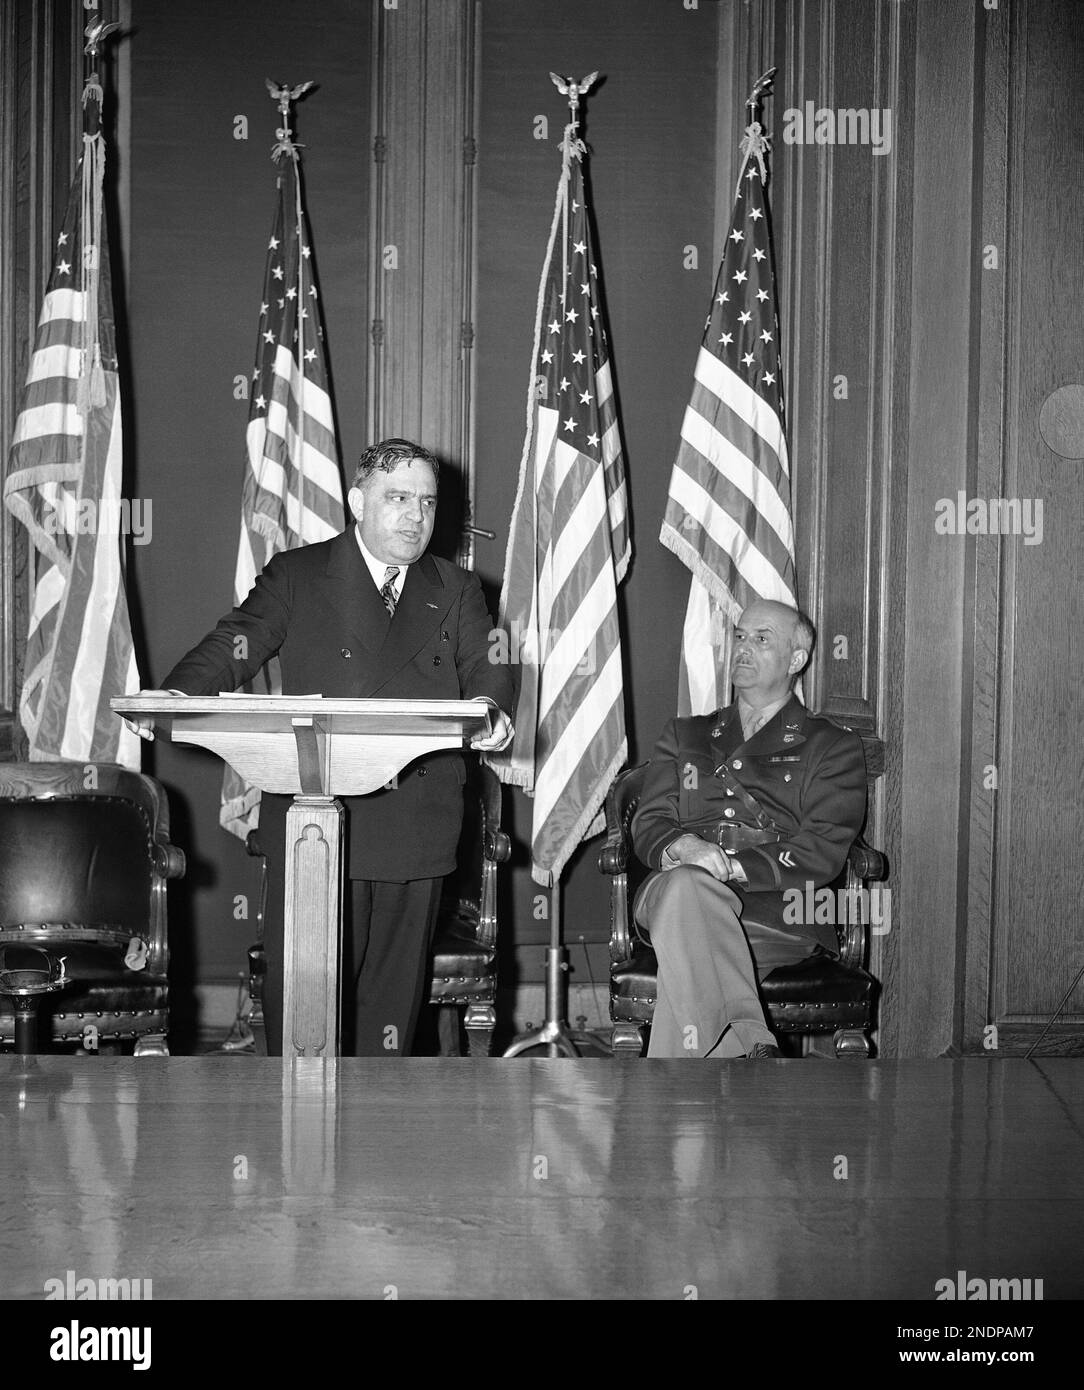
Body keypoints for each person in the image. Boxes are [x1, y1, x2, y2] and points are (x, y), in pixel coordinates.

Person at [127, 439, 514, 1056]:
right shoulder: (299, 575)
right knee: (304, 1013)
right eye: (398, 499)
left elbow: (490, 662)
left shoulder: (459, 587)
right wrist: (177, 695)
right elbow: (238, 644)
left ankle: (373, 1144)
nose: (415, 516)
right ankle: (300, 1138)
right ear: (358, 501)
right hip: (316, 828)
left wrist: (495, 711)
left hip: (414, 825)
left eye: (426, 502)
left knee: (390, 1017)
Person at [631, 599, 867, 1059]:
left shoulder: (831, 745)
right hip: (669, 892)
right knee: (683, 886)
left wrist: (732, 867)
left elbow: (821, 848)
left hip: (772, 910)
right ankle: (752, 1044)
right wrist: (682, 844)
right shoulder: (686, 735)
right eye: (739, 636)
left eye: (762, 639)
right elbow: (649, 821)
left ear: (796, 660)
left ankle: (692, 1103)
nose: (743, 647)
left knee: (688, 923)